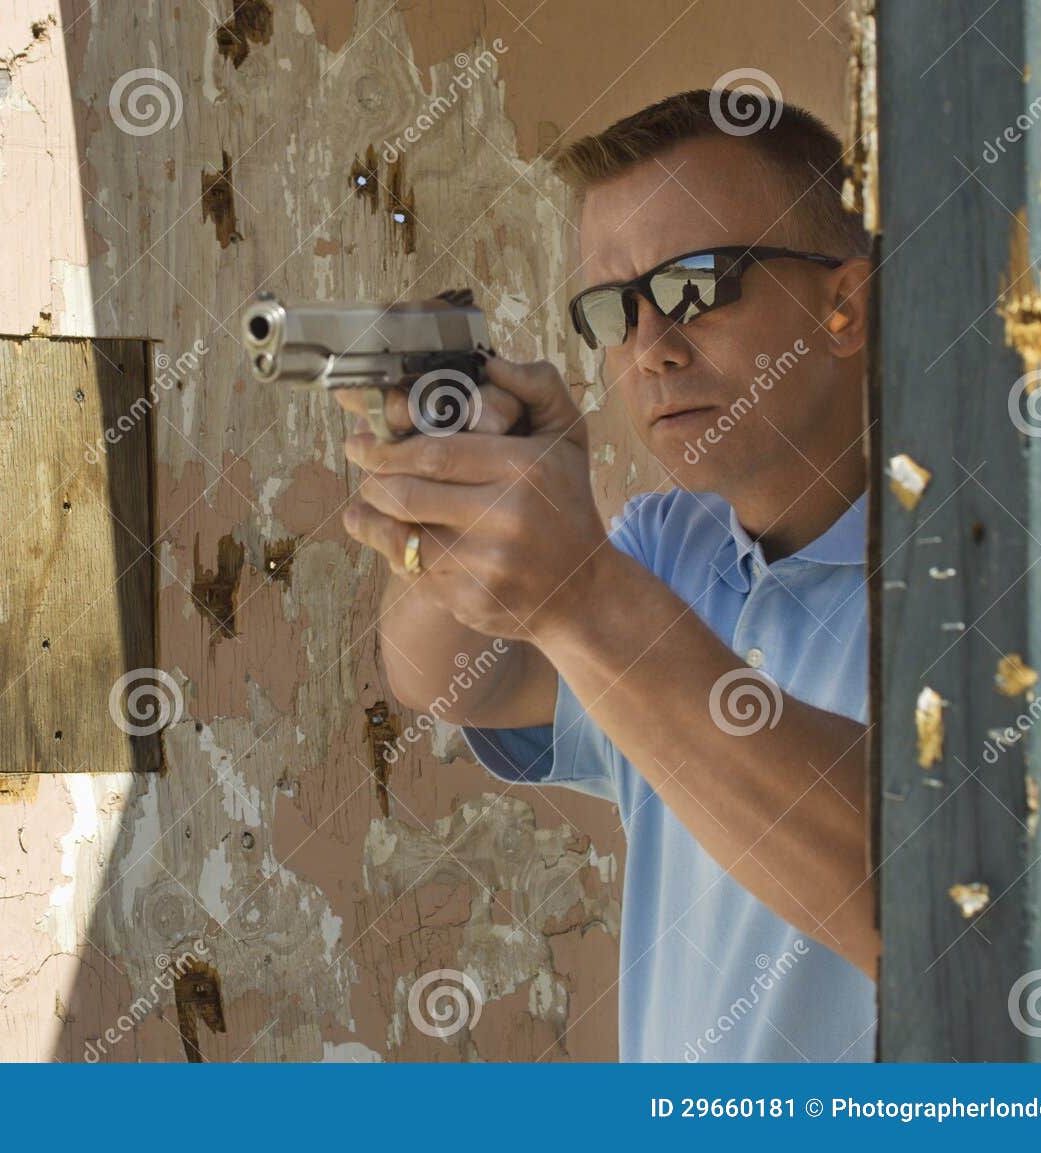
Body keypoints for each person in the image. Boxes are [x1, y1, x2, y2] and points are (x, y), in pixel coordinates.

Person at [338, 89, 875, 1061]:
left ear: (845, 305)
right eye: (614, 309)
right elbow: (454, 679)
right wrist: (462, 489)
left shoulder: (988, 575)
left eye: (696, 287)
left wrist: (579, 594)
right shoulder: (671, 545)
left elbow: (935, 911)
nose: (650, 348)